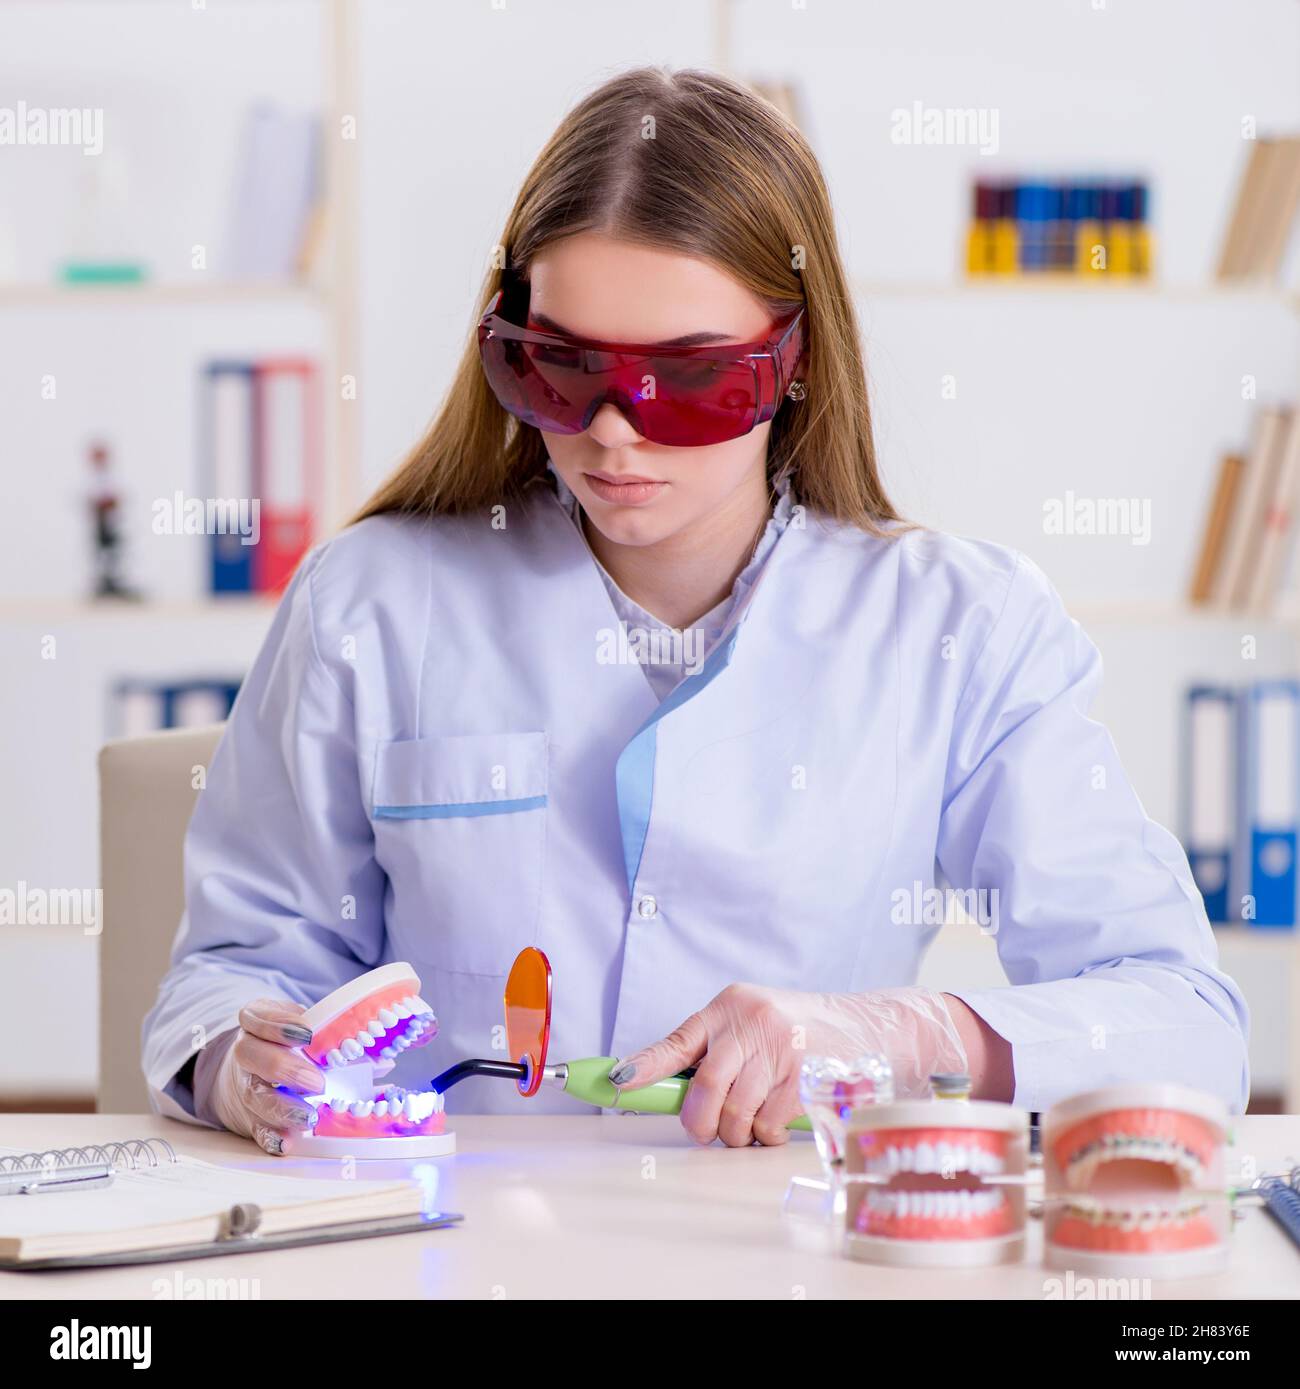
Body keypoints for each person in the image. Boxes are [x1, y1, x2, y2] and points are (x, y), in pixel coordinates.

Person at [142, 67, 1248, 1153]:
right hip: (447, 1247)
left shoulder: (960, 628)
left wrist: (894, 1036)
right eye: (561, 370)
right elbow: (236, 973)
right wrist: (241, 1067)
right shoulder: (373, 603)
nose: (614, 432)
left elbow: (1187, 1027)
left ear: (793, 362)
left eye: (690, 378)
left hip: (786, 1252)